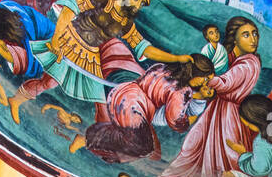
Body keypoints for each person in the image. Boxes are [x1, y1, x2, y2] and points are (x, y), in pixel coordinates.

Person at [0, 0, 190, 125]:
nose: (137, 5)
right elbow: (69, 7)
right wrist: (57, 41)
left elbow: (144, 48)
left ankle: (101, 138)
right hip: (68, 41)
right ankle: (16, 100)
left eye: (141, 2)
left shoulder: (126, 23)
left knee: (99, 99)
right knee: (48, 82)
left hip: (90, 58)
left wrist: (177, 59)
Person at [159, 17, 262, 177]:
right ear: (234, 39)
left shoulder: (250, 62)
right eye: (246, 35)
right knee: (195, 142)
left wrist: (202, 76)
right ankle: (177, 176)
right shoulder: (229, 56)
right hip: (217, 108)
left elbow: (226, 83)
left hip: (230, 114)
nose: (253, 39)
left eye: (254, 34)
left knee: (226, 150)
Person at [72, 55, 215, 161]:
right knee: (143, 147)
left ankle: (97, 143)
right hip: (134, 108)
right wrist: (186, 122)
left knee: (130, 138)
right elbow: (174, 120)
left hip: (122, 93)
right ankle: (86, 140)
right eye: (205, 78)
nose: (205, 83)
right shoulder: (181, 91)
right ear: (196, 73)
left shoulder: (162, 67)